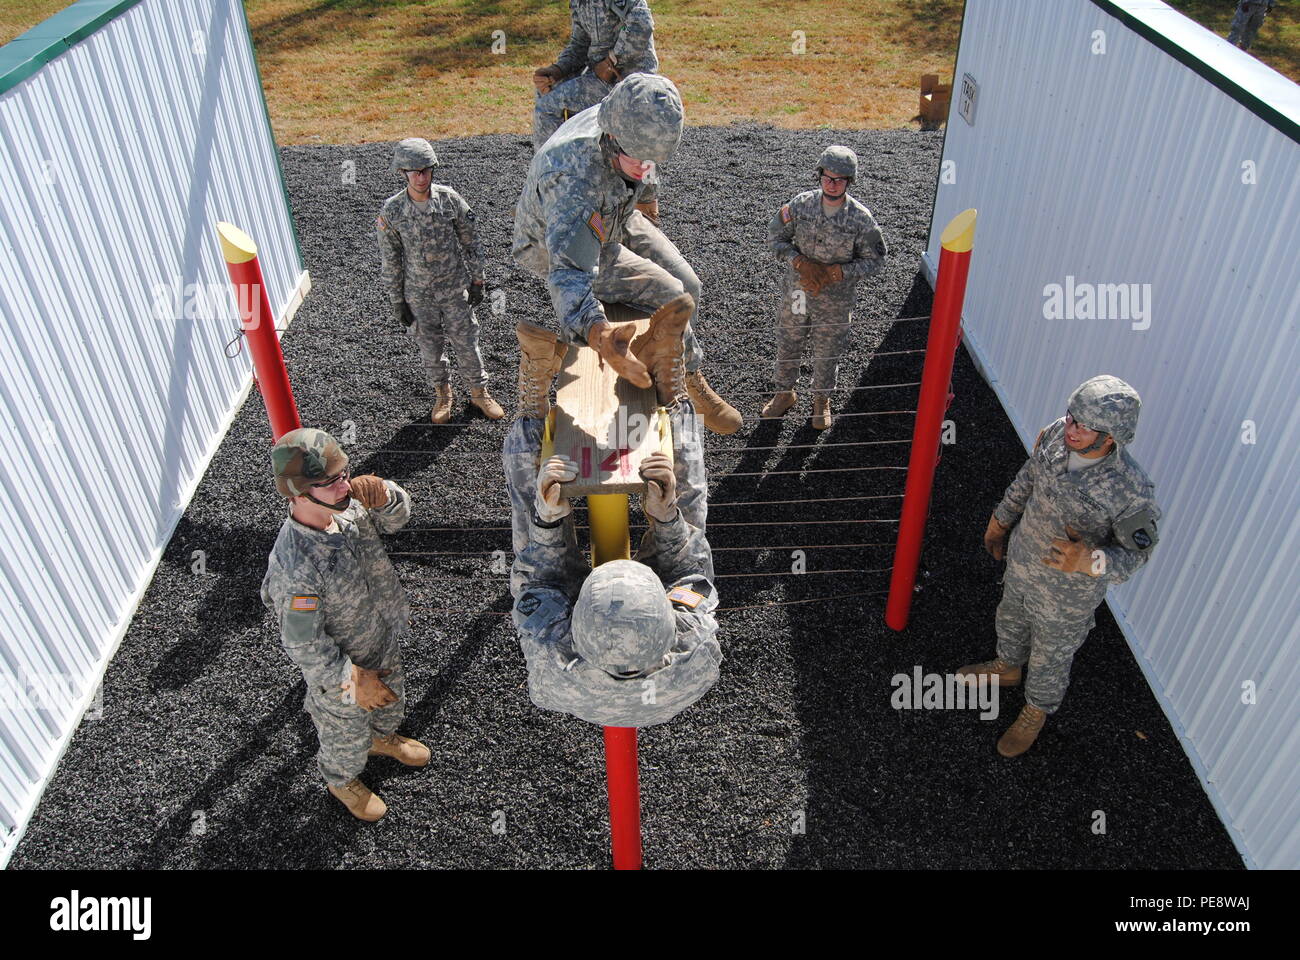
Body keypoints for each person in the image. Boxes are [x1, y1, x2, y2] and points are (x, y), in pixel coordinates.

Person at [501, 320, 720, 726]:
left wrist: (548, 520)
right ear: (667, 621)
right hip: (640, 613)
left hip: (585, 625)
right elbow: (691, 571)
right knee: (687, 503)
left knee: (532, 502)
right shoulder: (691, 643)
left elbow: (537, 584)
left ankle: (532, 408)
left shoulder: (553, 653)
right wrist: (666, 515)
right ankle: (673, 399)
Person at [513, 73, 742, 434]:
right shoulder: (573, 181)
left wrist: (647, 203)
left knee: (689, 285)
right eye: (636, 157)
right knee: (672, 294)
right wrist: (599, 334)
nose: (645, 166)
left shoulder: (631, 128)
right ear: (612, 135)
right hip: (555, 241)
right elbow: (569, 272)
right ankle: (683, 377)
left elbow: (644, 171)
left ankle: (684, 367)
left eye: (652, 158)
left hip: (615, 212)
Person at [959, 376, 1162, 757]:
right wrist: (1000, 520)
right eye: (1071, 418)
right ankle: (1007, 667)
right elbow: (1028, 477)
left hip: (1066, 596)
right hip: (1023, 562)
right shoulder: (1055, 435)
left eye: (1084, 427)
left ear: (1112, 437)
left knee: (1051, 656)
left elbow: (1137, 555)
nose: (1071, 429)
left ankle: (1035, 711)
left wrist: (1090, 560)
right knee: (1010, 619)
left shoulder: (1131, 491)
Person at [260, 428, 429, 821]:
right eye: (329, 481)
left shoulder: (347, 505)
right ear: (298, 494)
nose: (344, 485)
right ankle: (342, 780)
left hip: (380, 634)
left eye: (343, 474)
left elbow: (399, 519)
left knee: (392, 701)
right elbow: (303, 643)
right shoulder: (295, 566)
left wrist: (388, 495)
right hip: (343, 670)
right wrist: (352, 679)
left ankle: (382, 739)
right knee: (344, 731)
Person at [377, 137, 503, 424]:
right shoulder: (392, 212)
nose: (420, 177)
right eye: (413, 171)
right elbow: (391, 260)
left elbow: (471, 242)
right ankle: (443, 394)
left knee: (467, 342)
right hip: (418, 295)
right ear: (403, 173)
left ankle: (479, 392)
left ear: (433, 170)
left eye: (425, 170)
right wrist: (398, 301)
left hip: (454, 289)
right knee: (430, 347)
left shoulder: (450, 200)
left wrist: (478, 281)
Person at [762, 146, 888, 430]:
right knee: (789, 339)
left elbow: (876, 260)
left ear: (849, 182)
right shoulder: (800, 205)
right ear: (819, 175)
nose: (832, 184)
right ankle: (784, 394)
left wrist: (838, 272)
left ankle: (821, 401)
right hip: (798, 291)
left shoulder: (861, 219)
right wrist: (799, 261)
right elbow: (775, 238)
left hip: (835, 299)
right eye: (827, 178)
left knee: (827, 349)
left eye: (839, 179)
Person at [531, 0, 664, 225]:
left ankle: (548, 189)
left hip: (631, 78)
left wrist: (612, 60)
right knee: (547, 96)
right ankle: (559, 185)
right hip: (600, 77)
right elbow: (580, 43)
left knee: (548, 107)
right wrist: (557, 70)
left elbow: (641, 27)